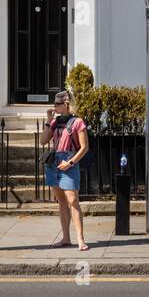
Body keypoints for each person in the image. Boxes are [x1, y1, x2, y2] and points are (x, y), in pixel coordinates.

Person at [41, 90, 90, 250]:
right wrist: (49, 121)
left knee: (73, 201)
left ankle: (80, 239)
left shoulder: (78, 122)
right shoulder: (55, 122)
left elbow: (84, 148)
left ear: (66, 104)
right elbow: (43, 141)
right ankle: (65, 238)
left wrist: (70, 162)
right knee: (61, 202)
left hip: (69, 162)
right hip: (54, 163)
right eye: (54, 104)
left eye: (57, 104)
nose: (54, 106)